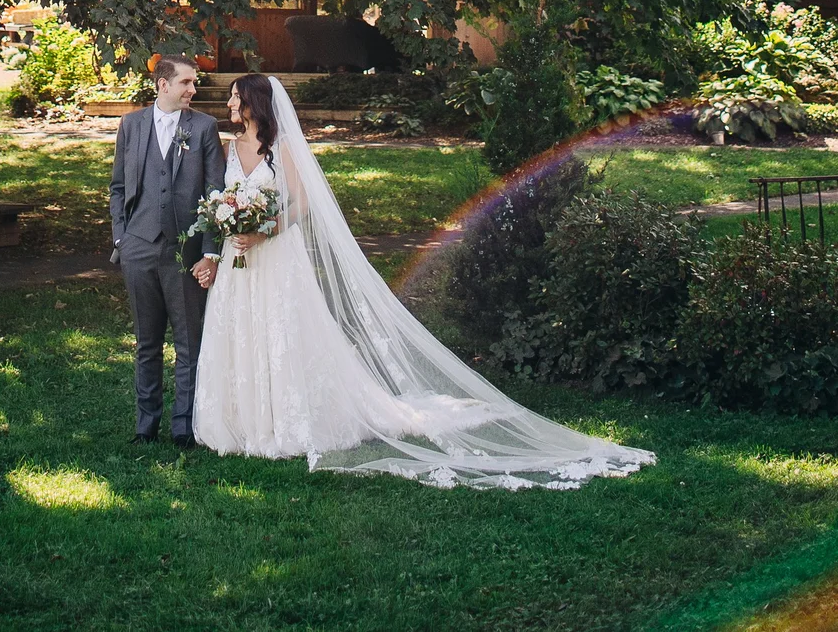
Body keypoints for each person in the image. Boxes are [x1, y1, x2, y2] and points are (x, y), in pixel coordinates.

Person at [192, 71, 656, 489]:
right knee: (242, 336)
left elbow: (302, 205)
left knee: (282, 336)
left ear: (255, 102)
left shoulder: (284, 148)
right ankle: (241, 421)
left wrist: (265, 229)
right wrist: (233, 228)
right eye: (231, 99)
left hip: (276, 259)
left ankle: (284, 422)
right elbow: (224, 198)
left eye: (236, 98)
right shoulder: (233, 147)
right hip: (240, 263)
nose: (231, 105)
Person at [109, 54, 226, 445]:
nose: (194, 89)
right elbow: (118, 188)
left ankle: (184, 427)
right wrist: (121, 239)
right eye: (187, 82)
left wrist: (210, 251)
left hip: (186, 252)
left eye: (194, 83)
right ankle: (146, 426)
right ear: (163, 85)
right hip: (138, 248)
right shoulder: (131, 124)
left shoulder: (205, 128)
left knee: (189, 343)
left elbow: (215, 194)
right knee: (146, 343)